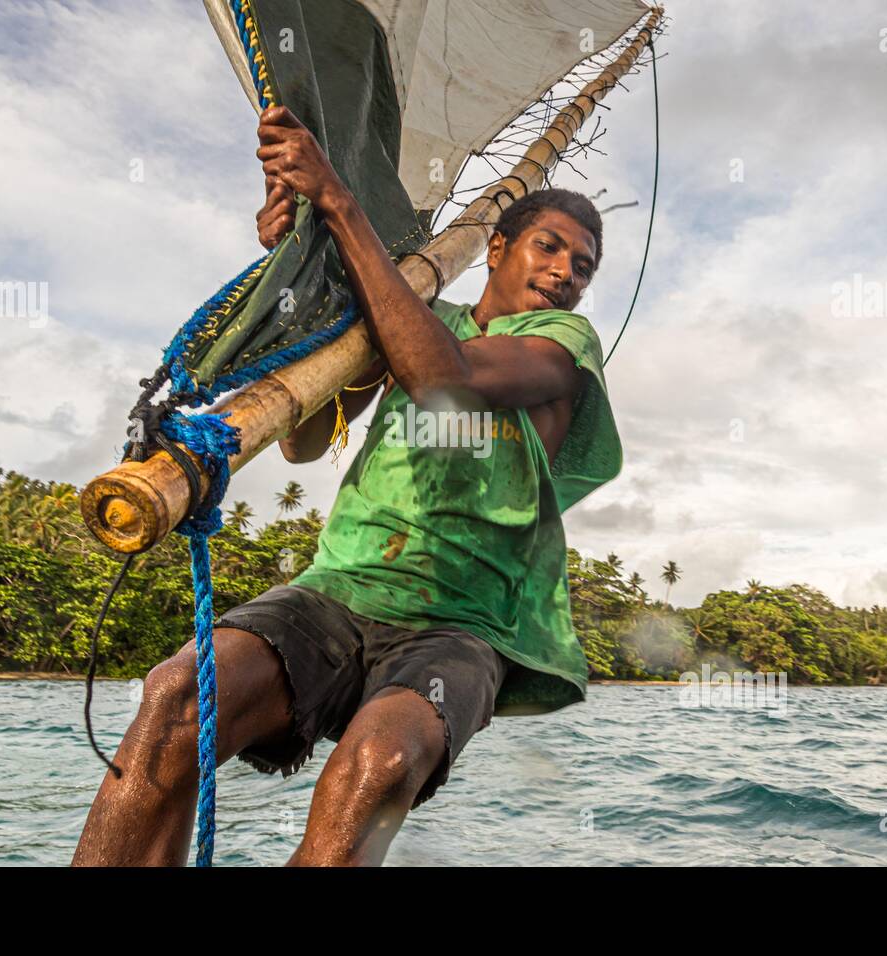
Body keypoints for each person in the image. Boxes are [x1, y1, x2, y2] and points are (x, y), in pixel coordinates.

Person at [72, 105, 621, 867]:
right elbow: (302, 438)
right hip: (341, 588)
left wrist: (339, 204)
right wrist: (305, 264)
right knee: (177, 698)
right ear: (495, 248)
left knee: (381, 764)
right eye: (549, 246)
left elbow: (446, 382)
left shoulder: (560, 343)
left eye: (583, 265)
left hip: (461, 624)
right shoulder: (406, 311)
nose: (565, 271)